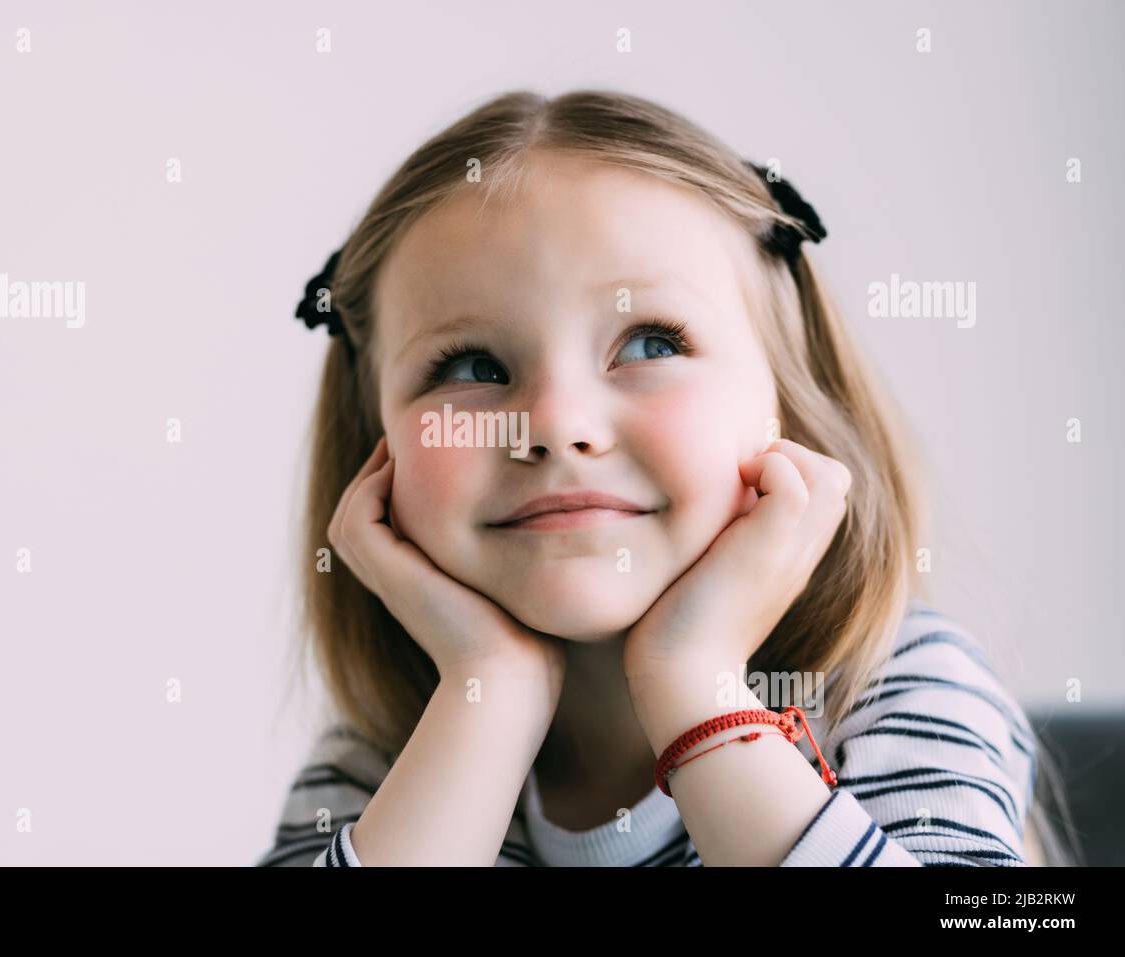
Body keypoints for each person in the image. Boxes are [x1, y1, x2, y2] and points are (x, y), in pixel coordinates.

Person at [260, 89, 1078, 867]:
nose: (555, 425)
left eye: (651, 344)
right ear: (377, 450)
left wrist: (695, 687)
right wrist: (491, 695)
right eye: (472, 365)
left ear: (786, 403)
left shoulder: (893, 690)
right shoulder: (384, 762)